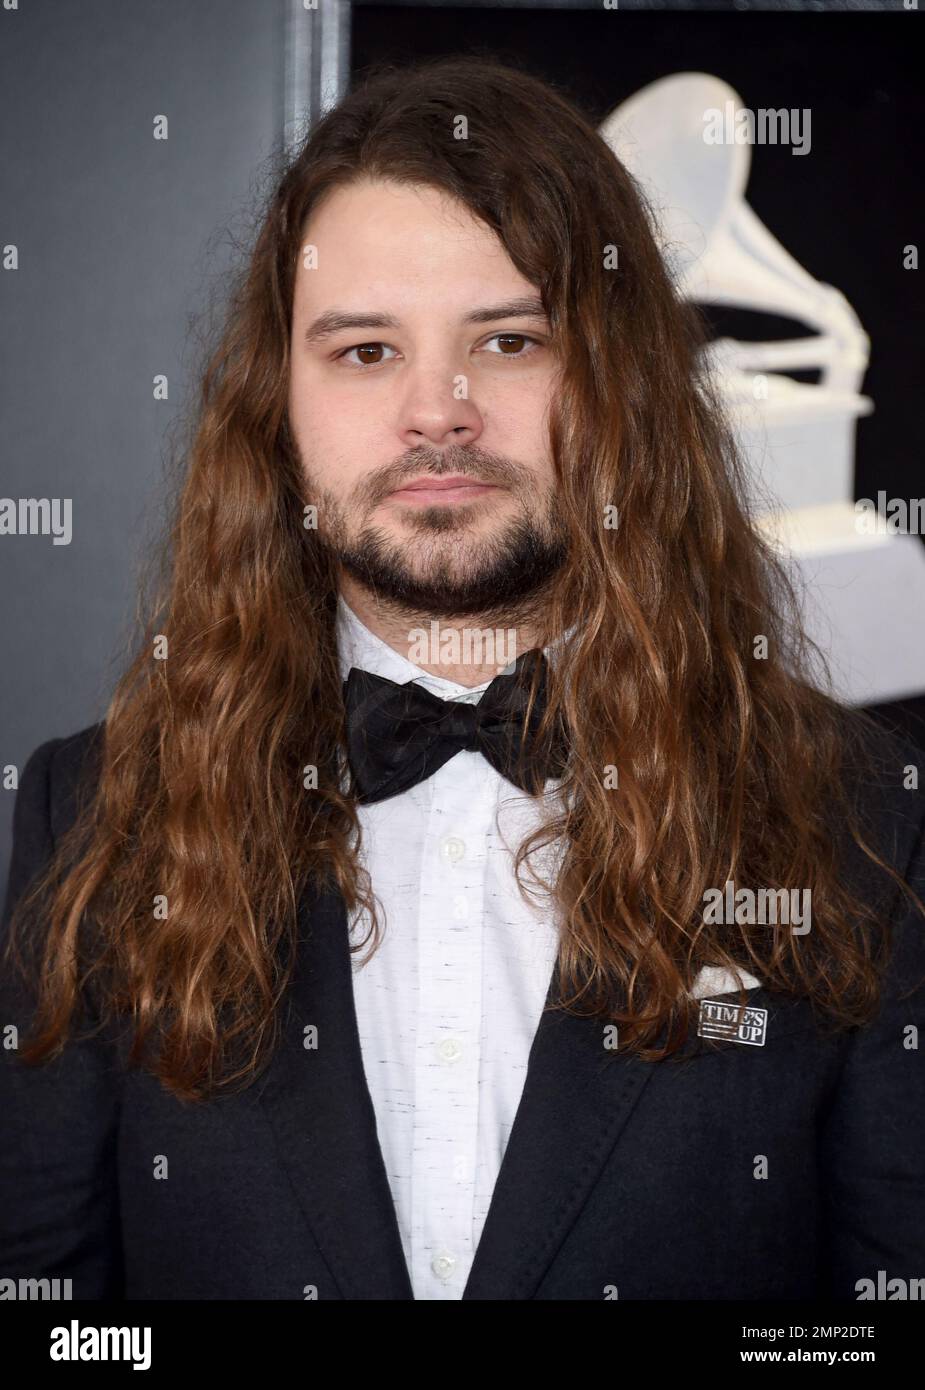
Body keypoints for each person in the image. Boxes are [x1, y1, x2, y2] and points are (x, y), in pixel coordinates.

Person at [2, 55, 924, 1303]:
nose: (440, 411)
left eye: (508, 338)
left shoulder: (868, 818)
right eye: (367, 350)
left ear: (621, 383)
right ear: (277, 404)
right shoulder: (90, 811)